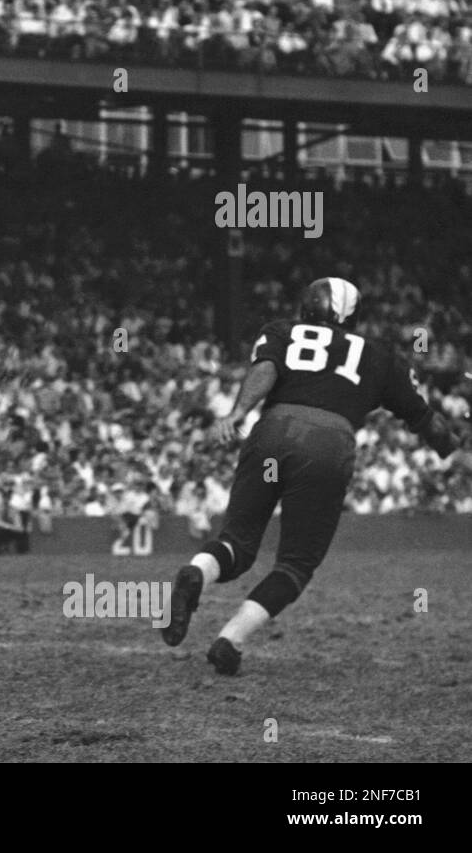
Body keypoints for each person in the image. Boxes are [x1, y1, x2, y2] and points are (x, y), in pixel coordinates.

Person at [162, 277, 469, 674]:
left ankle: (196, 573)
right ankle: (230, 639)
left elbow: (266, 370)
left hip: (272, 430)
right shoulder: (379, 355)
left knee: (235, 545)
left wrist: (237, 413)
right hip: (327, 443)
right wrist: (451, 446)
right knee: (295, 564)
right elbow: (423, 417)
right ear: (350, 314)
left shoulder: (281, 331)